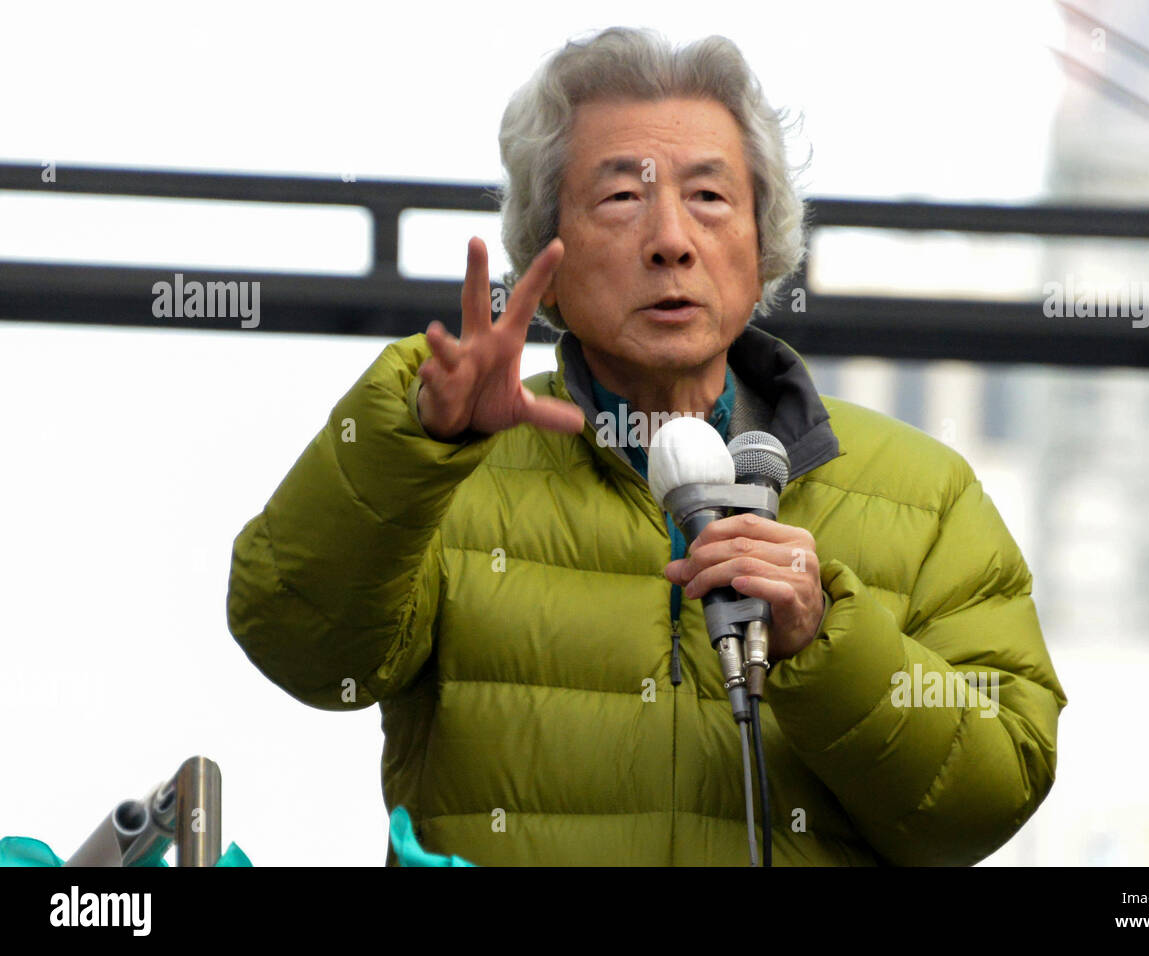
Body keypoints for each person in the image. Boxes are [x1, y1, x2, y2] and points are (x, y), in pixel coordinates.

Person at [226, 26, 1067, 866]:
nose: (671, 239)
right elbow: (304, 649)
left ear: (763, 238)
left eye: (708, 197)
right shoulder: (447, 471)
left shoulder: (923, 492)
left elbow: (987, 798)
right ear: (542, 256)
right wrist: (416, 441)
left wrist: (826, 638)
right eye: (623, 198)